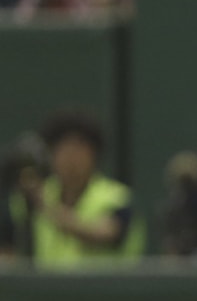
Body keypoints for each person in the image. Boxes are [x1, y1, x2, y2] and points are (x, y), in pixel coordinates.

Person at [6, 111, 145, 268]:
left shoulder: (116, 198)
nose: (71, 159)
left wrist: (46, 207)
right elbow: (9, 249)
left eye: (80, 150)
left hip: (104, 291)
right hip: (47, 290)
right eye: (63, 150)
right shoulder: (30, 198)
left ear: (95, 155)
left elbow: (103, 233)